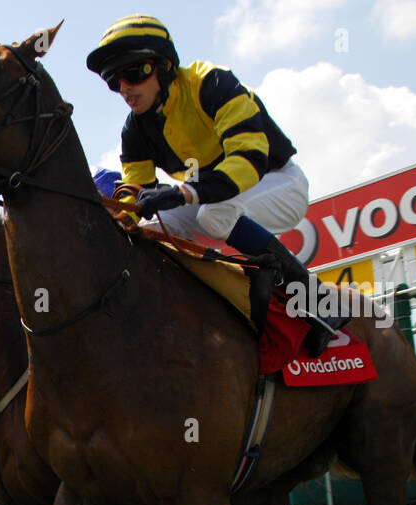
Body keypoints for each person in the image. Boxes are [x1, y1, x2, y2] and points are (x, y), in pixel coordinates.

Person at [87, 15, 348, 356]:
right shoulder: (134, 129)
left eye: (133, 74)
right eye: (113, 81)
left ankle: (320, 301)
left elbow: (248, 158)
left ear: (166, 66)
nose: (124, 88)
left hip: (276, 182)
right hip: (213, 196)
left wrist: (184, 192)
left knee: (213, 215)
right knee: (149, 230)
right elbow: (134, 189)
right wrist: (116, 220)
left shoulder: (212, 83)